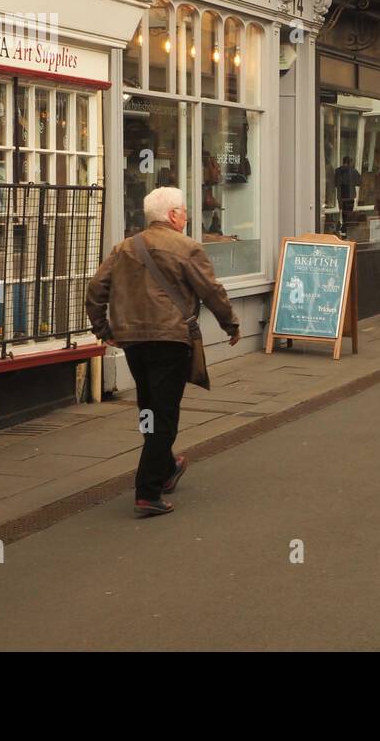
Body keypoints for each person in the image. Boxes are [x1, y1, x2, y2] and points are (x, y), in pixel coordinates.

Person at [85, 187, 241, 517]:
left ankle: (167, 465)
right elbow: (211, 290)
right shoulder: (187, 248)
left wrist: (104, 330)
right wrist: (231, 324)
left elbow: (96, 289)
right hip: (170, 339)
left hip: (133, 341)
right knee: (165, 415)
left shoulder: (125, 247)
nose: (186, 217)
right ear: (172, 215)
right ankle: (147, 490)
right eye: (184, 211)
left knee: (148, 407)